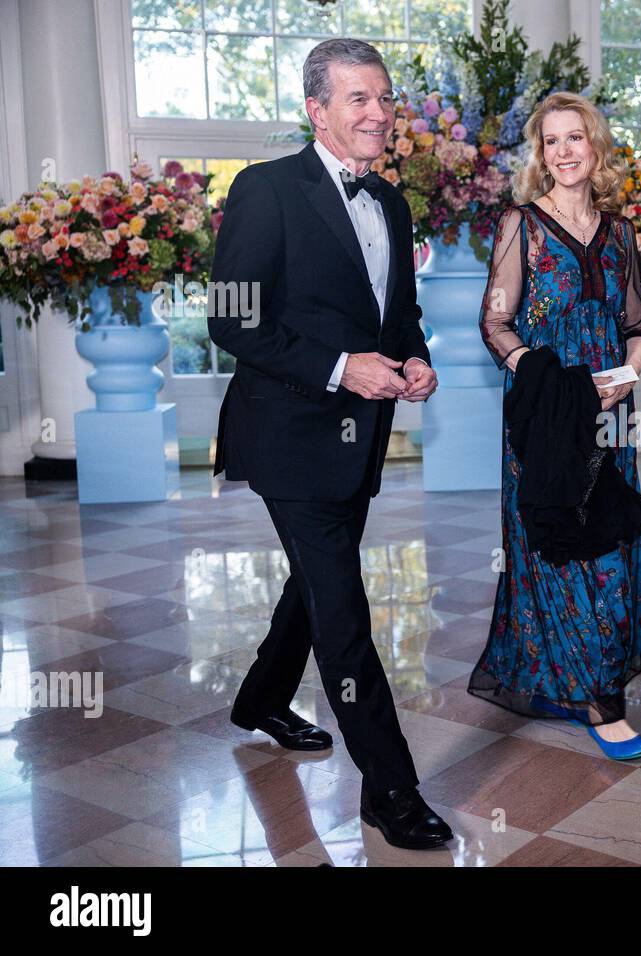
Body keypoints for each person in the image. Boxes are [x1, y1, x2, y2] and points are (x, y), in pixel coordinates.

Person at [208, 38, 454, 850]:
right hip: (287, 435)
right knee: (344, 611)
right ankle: (391, 789)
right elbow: (233, 318)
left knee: (318, 584)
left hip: (362, 435)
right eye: (359, 99)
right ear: (317, 110)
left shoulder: (391, 200)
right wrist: (343, 369)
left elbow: (397, 315)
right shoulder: (264, 190)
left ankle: (260, 701)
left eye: (385, 97)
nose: (380, 112)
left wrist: (413, 359)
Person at [468, 92, 641, 761]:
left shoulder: (621, 233)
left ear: (595, 145)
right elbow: (494, 322)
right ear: (540, 153)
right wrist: (542, 378)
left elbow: (637, 327)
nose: (563, 152)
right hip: (548, 415)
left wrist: (625, 378)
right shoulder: (520, 224)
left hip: (609, 413)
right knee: (555, 542)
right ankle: (598, 702)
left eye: (575, 138)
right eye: (551, 141)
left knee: (606, 538)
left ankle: (582, 679)